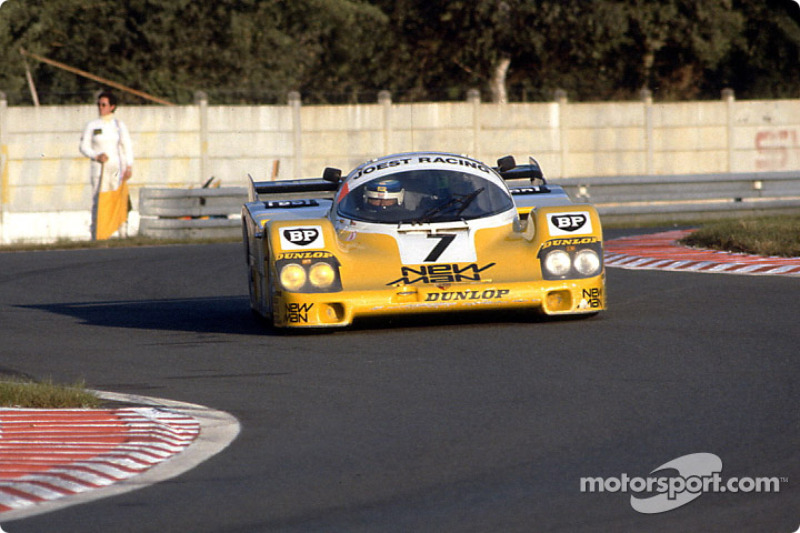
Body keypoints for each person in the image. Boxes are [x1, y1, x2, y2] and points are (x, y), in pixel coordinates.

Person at [79, 90, 134, 240]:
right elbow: (83, 147)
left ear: (112, 107)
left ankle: (123, 232)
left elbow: (126, 146)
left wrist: (129, 166)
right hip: (99, 169)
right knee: (99, 200)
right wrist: (96, 156)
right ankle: (97, 234)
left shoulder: (119, 125)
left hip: (116, 169)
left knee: (118, 199)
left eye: (104, 104)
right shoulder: (92, 125)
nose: (101, 107)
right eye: (99, 104)